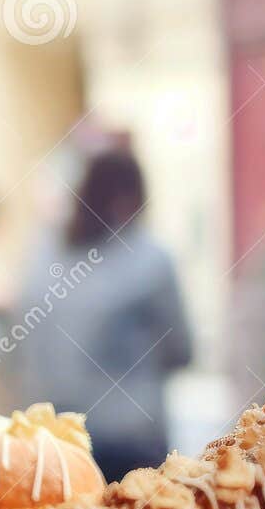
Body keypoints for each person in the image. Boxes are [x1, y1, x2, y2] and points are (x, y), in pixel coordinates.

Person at [10, 147, 192, 481]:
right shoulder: (150, 258)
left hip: (52, 446)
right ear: (132, 197)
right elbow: (182, 351)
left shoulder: (42, 253)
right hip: (131, 442)